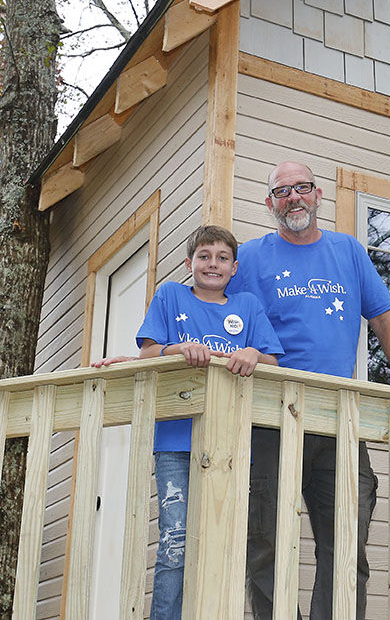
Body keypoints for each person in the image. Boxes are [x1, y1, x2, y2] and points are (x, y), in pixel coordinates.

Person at [228, 161, 390, 620]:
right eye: (282, 192)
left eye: (302, 188)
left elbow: (383, 317)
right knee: (264, 539)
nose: (294, 197)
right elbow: (208, 308)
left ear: (318, 195)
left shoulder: (348, 252)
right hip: (270, 415)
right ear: (269, 205)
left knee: (346, 539)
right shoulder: (249, 258)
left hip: (339, 419)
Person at [135, 225, 284, 619]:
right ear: (189, 264)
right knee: (175, 542)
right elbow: (147, 355)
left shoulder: (248, 306)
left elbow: (272, 362)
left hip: (233, 445)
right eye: (204, 256)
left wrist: (252, 351)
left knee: (228, 542)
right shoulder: (171, 295)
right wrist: (176, 349)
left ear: (234, 268)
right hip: (176, 442)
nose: (212, 264)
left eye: (221, 258)